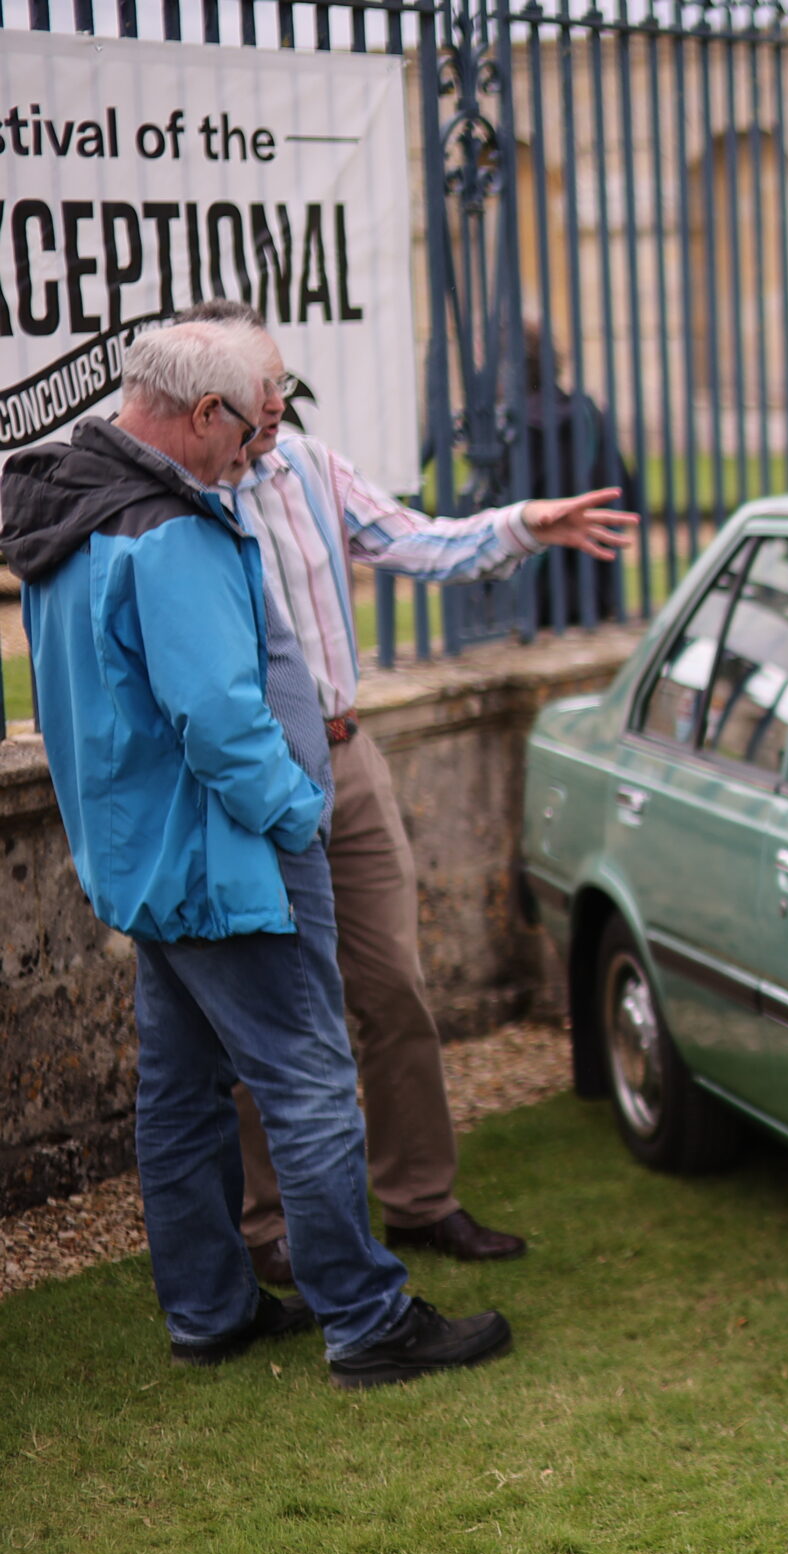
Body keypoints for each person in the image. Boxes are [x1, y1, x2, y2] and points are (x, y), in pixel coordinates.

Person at [0, 321, 511, 1387]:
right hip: (230, 862)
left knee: (182, 1097)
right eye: (248, 421)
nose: (255, 449)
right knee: (311, 1077)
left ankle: (211, 1310)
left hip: (145, 859)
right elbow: (221, 722)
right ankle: (367, 1320)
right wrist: (298, 815)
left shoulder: (69, 505)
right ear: (200, 416)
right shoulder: (169, 530)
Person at [173, 300, 636, 1284]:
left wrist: (525, 524)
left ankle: (421, 1201)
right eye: (264, 394)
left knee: (396, 990)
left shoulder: (307, 464)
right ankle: (272, 1237)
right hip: (249, 783)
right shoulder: (184, 494)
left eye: (284, 387)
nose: (277, 409)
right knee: (273, 1014)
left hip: (347, 758)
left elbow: (416, 543)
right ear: (214, 400)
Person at [519, 316, 641, 625]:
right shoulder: (588, 413)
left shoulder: (515, 427)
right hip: (595, 588)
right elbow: (624, 494)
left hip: (530, 595)